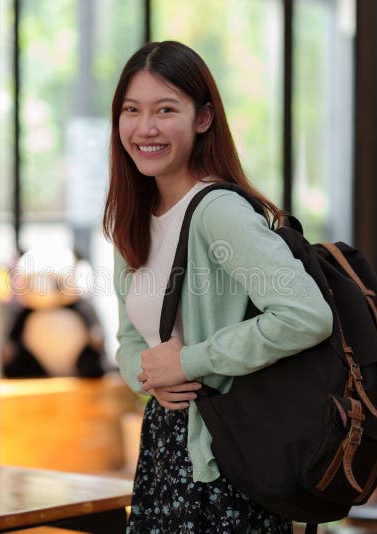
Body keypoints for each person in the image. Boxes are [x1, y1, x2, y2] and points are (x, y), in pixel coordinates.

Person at [102, 41, 333, 533]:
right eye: (132, 110)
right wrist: (147, 377)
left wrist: (188, 362)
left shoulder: (217, 213)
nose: (145, 128)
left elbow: (305, 314)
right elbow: (129, 340)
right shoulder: (134, 222)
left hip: (225, 462)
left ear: (203, 118)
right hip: (165, 450)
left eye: (166, 110)